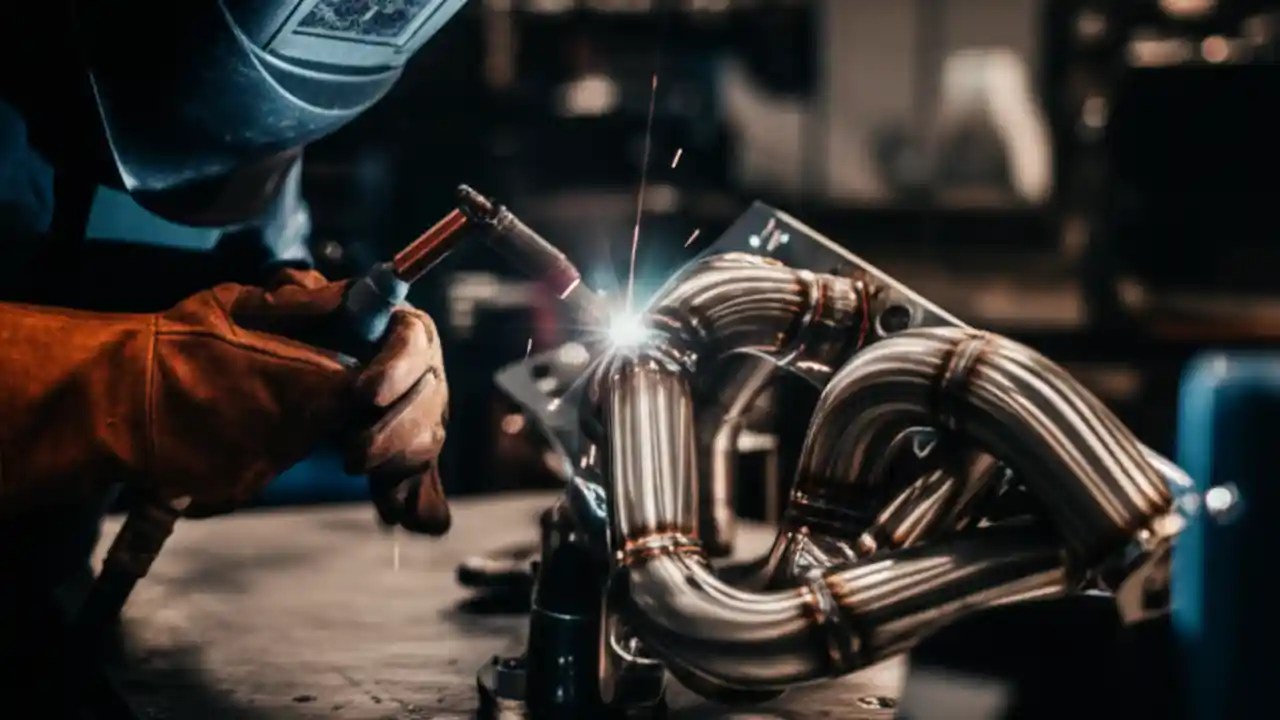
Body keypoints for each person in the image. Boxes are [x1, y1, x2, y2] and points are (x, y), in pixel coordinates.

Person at [0, 0, 471, 699]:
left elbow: (257, 259)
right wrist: (111, 386)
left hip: (43, 597)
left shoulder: (256, 114)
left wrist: (340, 348)